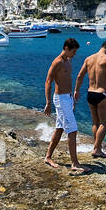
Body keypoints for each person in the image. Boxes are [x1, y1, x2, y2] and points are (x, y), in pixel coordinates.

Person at [42, 38, 83, 174]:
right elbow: (48, 82)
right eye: (73, 51)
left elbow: (68, 80)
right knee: (72, 129)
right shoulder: (57, 62)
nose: (74, 54)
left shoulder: (68, 61)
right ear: (66, 48)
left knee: (60, 128)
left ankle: (48, 157)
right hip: (60, 99)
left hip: (67, 98)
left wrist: (71, 99)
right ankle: (74, 163)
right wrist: (48, 103)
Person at [74, 39, 106, 160]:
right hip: (101, 94)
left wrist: (76, 90)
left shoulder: (88, 58)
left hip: (90, 93)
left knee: (95, 122)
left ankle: (97, 147)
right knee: (104, 123)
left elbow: (79, 75)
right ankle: (97, 149)